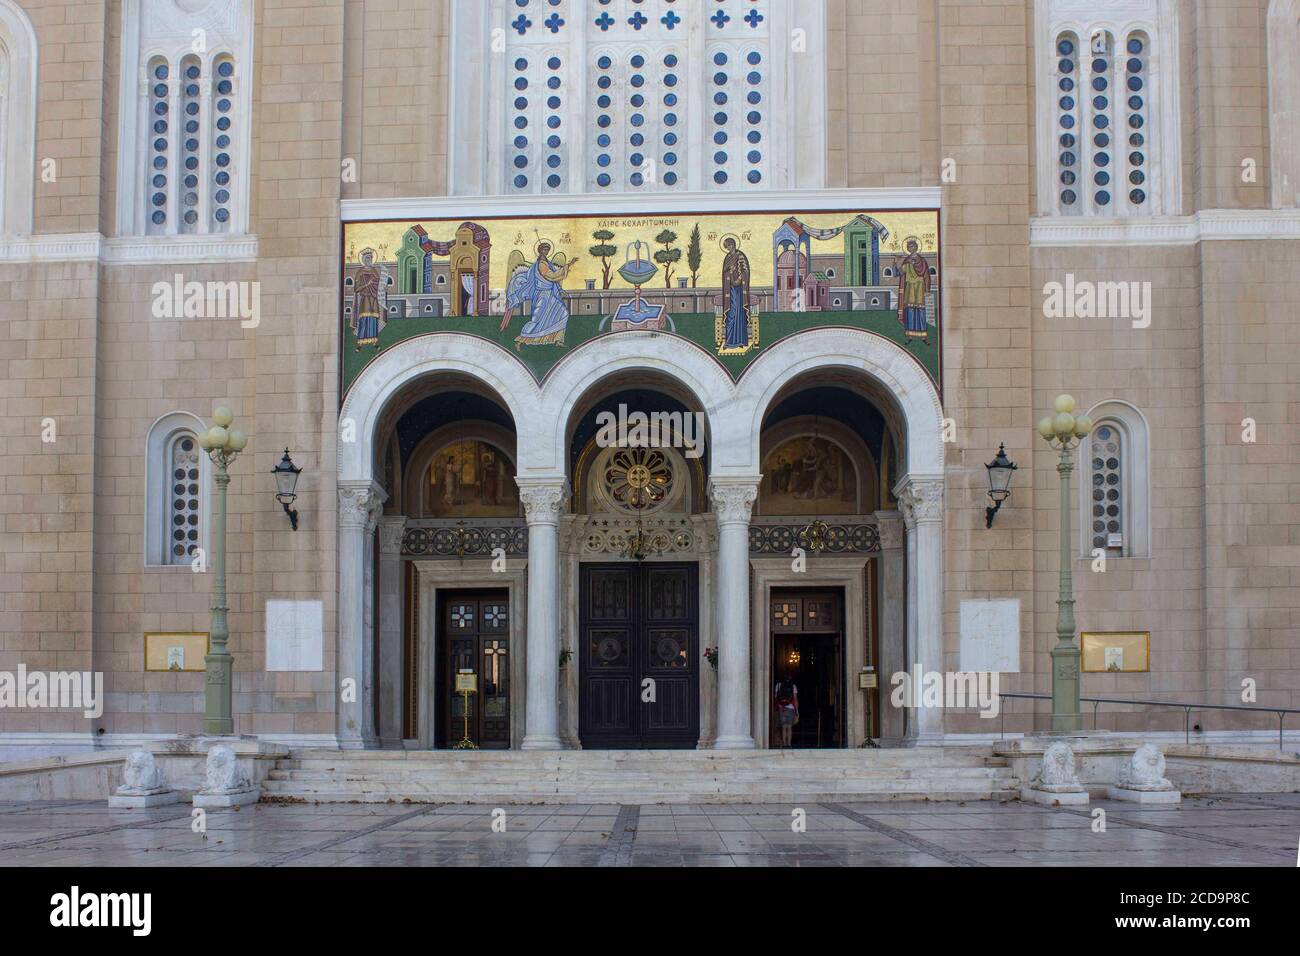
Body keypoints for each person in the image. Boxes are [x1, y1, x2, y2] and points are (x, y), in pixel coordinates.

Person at [774, 673, 799, 748]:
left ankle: (784, 744)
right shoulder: (793, 686)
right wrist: (797, 711)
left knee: (784, 727)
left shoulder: (778, 685)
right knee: (789, 727)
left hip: (781, 708)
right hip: (790, 708)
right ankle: (789, 744)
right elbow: (795, 699)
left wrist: (779, 707)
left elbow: (776, 697)